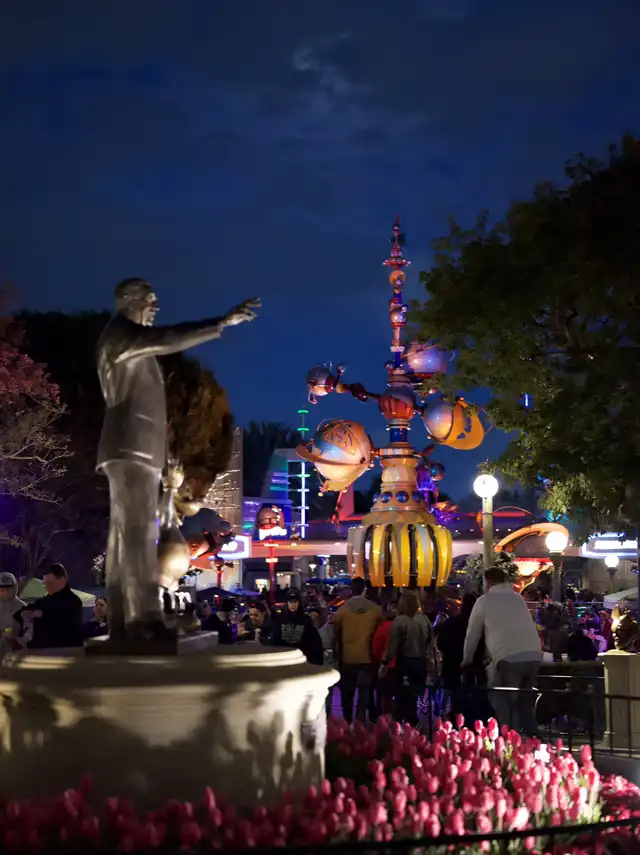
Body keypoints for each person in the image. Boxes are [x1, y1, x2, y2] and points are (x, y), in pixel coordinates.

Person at [96, 277, 260, 641]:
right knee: (137, 532)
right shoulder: (122, 336)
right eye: (149, 300)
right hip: (130, 448)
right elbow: (168, 337)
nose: (155, 307)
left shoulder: (128, 343)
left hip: (135, 449)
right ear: (127, 301)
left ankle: (124, 617)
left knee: (128, 532)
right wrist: (220, 323)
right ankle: (142, 618)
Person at [462, 567, 542, 736]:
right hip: (534, 654)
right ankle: (533, 739)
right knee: (524, 702)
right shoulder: (517, 598)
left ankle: (509, 738)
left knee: (503, 700)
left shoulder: (484, 601)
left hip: (508, 657)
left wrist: (467, 659)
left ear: (488, 582)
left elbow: (472, 633)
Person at [379, 590, 434, 726]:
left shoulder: (400, 621)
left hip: (405, 663)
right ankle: (414, 726)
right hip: (420, 663)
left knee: (402, 697)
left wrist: (384, 663)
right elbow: (430, 644)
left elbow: (392, 646)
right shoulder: (424, 619)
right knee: (413, 697)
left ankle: (400, 728)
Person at [333, 577, 382, 723]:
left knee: (347, 694)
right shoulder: (375, 610)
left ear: (351, 590)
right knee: (364, 693)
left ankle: (347, 722)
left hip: (347, 658)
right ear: (364, 590)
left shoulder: (342, 611)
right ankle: (360, 724)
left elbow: (335, 631)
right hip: (367, 657)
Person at [21, 564, 84, 650]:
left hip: (63, 651)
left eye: (50, 583)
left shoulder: (73, 602)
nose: (47, 587)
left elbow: (68, 628)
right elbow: (29, 608)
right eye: (45, 584)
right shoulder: (45, 600)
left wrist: (44, 615)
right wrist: (27, 612)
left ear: (62, 580)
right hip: (41, 651)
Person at [273, 589, 324, 665]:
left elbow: (314, 643)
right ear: (287, 602)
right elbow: (275, 641)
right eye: (290, 602)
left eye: (295, 602)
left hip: (302, 661)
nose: (293, 604)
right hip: (283, 660)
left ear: (299, 602)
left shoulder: (306, 620)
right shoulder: (279, 619)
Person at [371, 600, 398, 717]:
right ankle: (398, 719)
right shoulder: (403, 625)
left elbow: (376, 648)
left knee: (385, 695)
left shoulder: (382, 627)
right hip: (401, 666)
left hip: (385, 667)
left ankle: (385, 719)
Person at [0, 573, 25, 652]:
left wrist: (7, 631)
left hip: (13, 649)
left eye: (8, 589)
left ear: (14, 588)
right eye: (2, 590)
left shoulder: (22, 607)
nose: (5, 593)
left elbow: (25, 629)